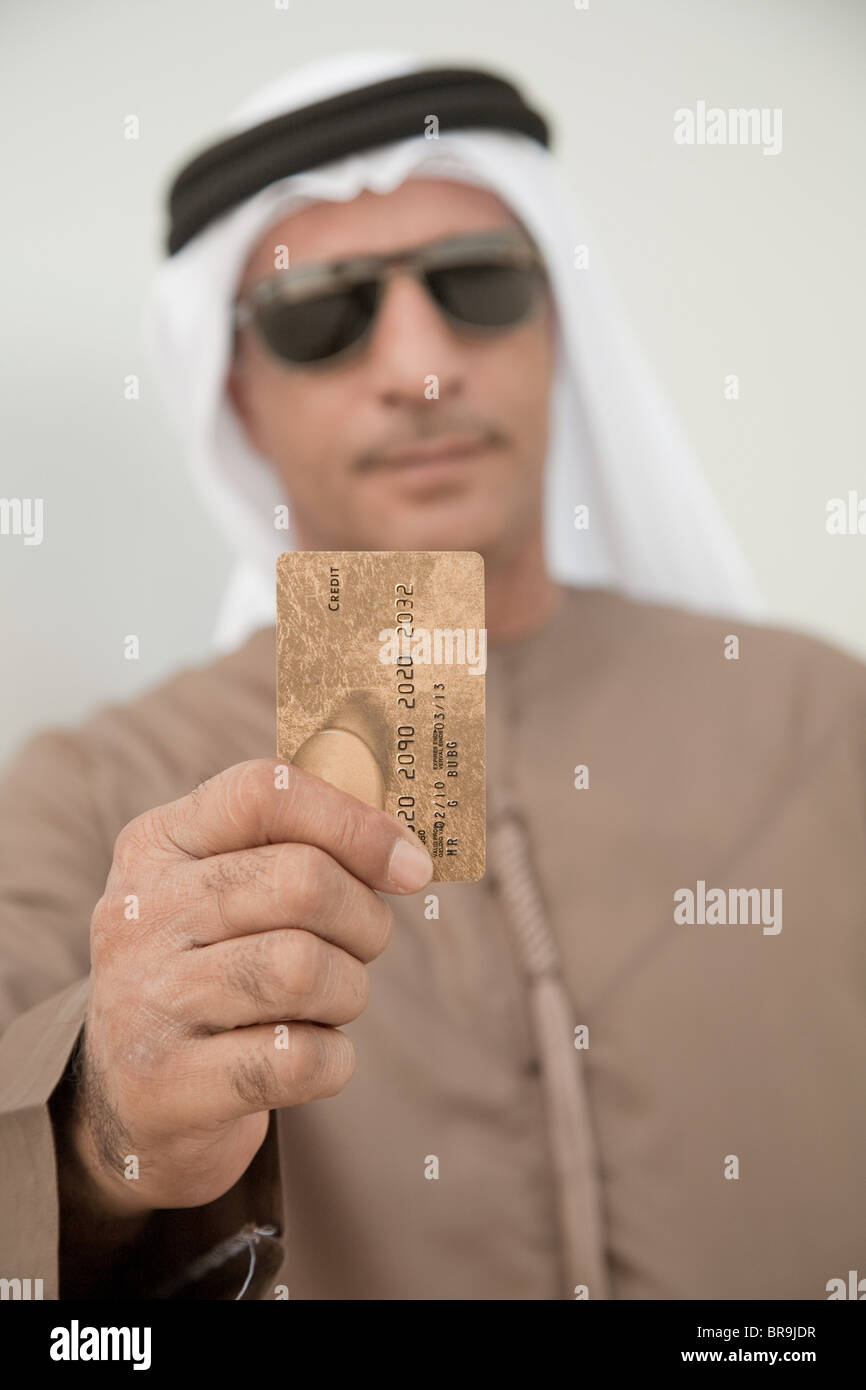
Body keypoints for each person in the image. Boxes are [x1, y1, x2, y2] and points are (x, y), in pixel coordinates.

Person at [0, 51, 863, 1303]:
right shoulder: (89, 793)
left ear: (557, 328)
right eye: (320, 314)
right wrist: (101, 1132)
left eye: (474, 288)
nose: (416, 367)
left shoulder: (816, 723)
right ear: (231, 392)